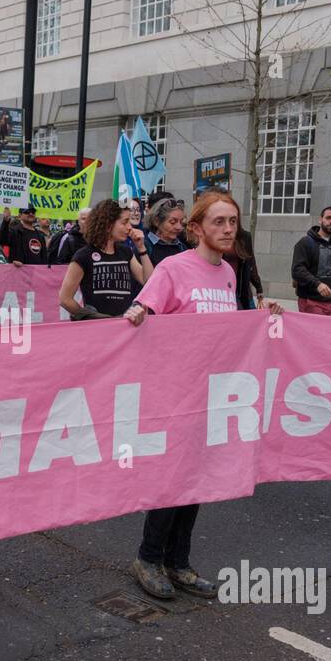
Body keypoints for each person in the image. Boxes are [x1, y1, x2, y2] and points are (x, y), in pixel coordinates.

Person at [122, 191, 283, 599]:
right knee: (173, 478)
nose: (228, 229)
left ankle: (179, 563)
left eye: (232, 221)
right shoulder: (174, 268)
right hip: (175, 393)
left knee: (195, 480)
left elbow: (230, 331)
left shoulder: (230, 272)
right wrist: (139, 314)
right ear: (196, 228)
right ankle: (148, 557)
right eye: (218, 222)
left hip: (213, 394)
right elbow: (144, 313)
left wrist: (265, 317)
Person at [59, 199, 152, 318]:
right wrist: (91, 317)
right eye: (124, 222)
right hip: (97, 331)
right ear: (108, 225)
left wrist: (141, 248)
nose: (129, 227)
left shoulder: (125, 252)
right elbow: (65, 299)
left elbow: (148, 282)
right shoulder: (83, 255)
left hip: (124, 328)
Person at [225, 226, 264, 310]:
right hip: (223, 290)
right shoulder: (217, 235)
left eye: (233, 220)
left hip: (242, 290)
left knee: (251, 320)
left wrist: (259, 287)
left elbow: (251, 263)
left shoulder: (244, 237)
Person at [144, 197, 187, 267]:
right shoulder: (145, 247)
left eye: (181, 222)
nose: (179, 227)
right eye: (173, 222)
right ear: (156, 221)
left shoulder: (181, 247)